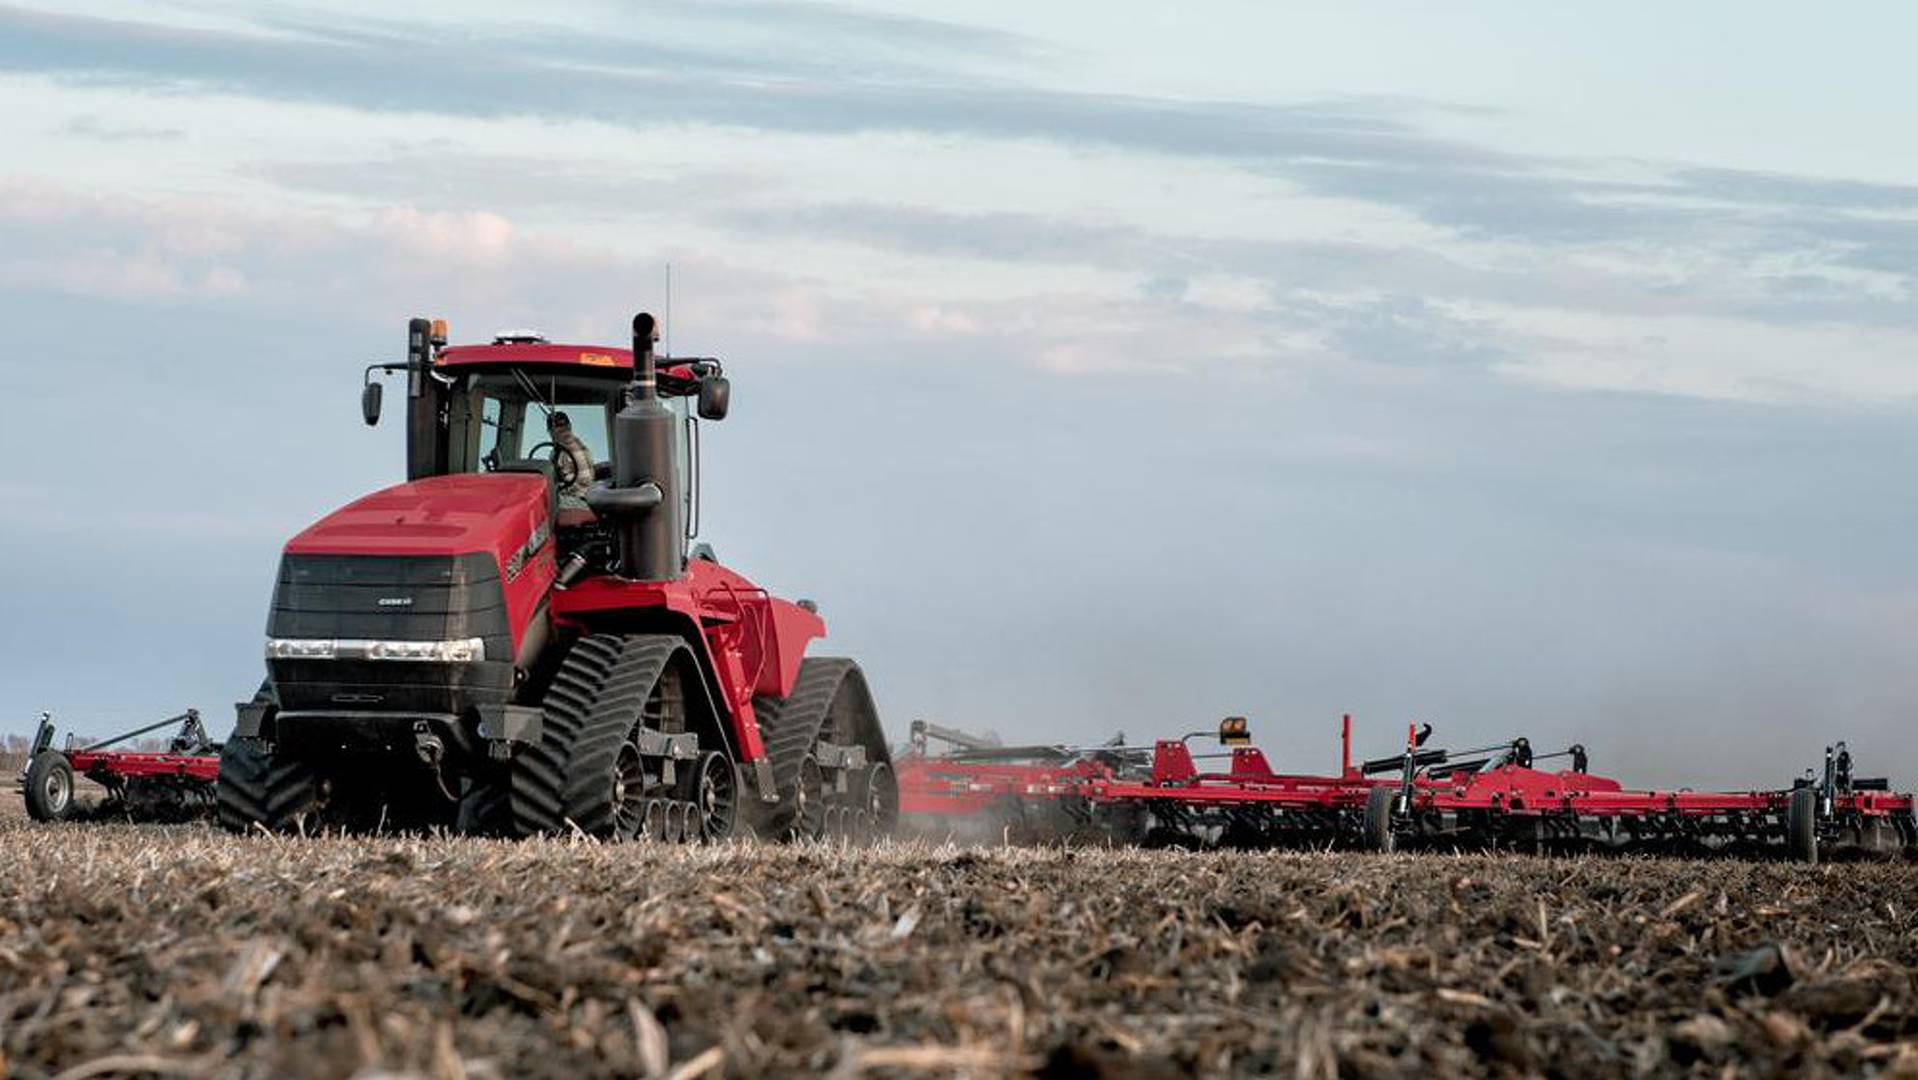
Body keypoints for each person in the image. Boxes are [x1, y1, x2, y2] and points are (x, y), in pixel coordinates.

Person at [547, 411, 596, 497]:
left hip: (580, 497)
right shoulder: (576, 444)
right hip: (581, 493)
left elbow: (584, 481)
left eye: (562, 429)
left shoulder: (570, 449)